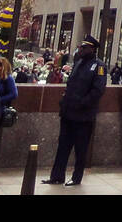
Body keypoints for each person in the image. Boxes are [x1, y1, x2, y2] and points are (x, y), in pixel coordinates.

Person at [42, 35, 107, 186]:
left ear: (92, 49)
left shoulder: (99, 66)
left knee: (80, 148)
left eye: (85, 48)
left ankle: (76, 178)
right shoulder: (78, 63)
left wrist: (82, 103)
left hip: (84, 115)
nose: (81, 50)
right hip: (68, 112)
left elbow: (97, 91)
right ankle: (57, 176)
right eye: (81, 47)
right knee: (63, 145)